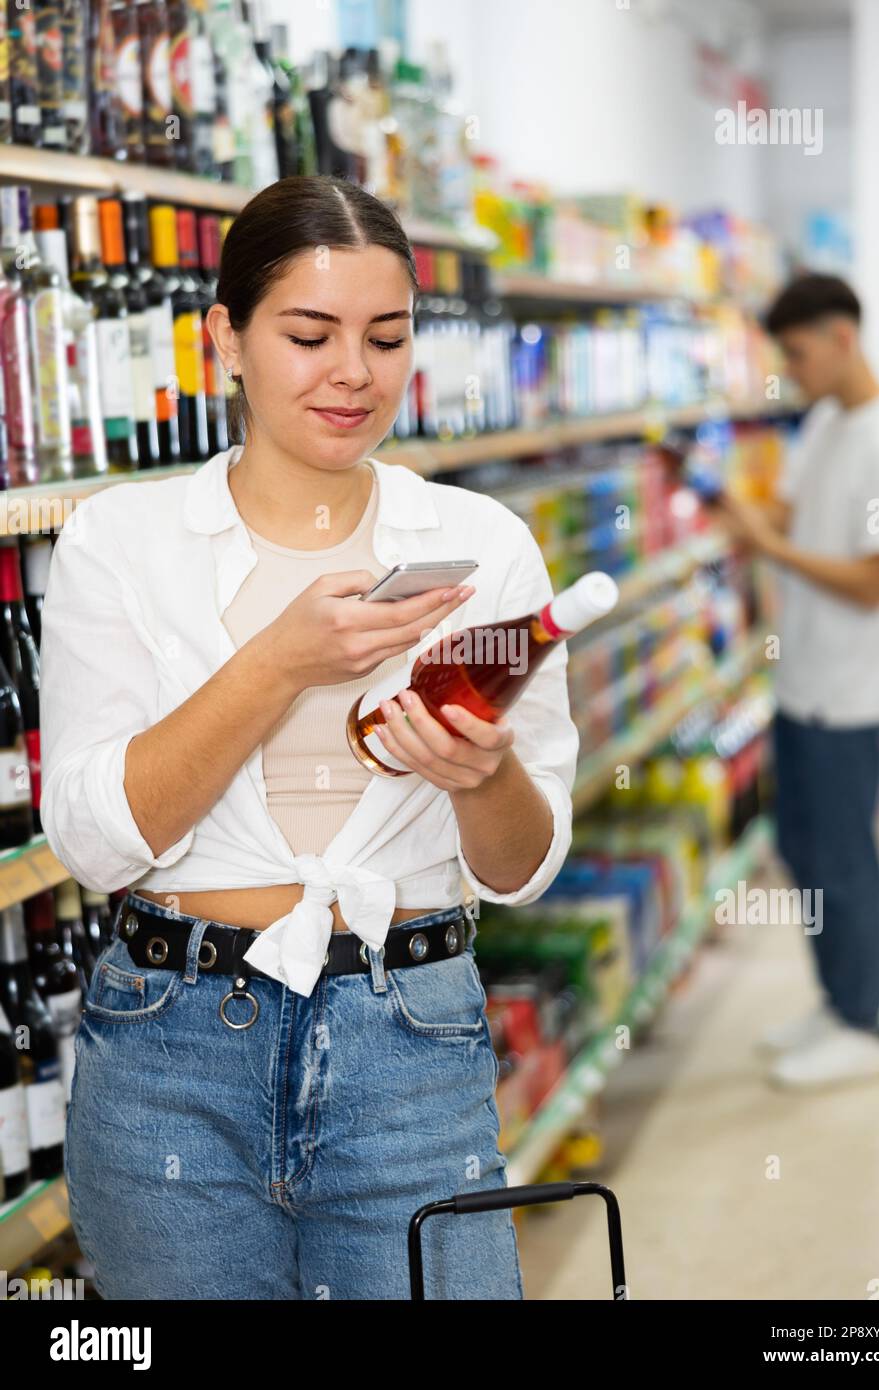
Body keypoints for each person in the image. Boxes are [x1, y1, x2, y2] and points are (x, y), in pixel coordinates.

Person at [41, 174, 579, 1299]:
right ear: (224, 339)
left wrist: (483, 775)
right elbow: (98, 844)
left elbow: (521, 865)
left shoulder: (481, 547)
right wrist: (281, 661)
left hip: (410, 1045)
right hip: (172, 1046)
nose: (353, 372)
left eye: (388, 338)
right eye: (309, 333)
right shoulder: (120, 544)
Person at [710, 273, 879, 1091]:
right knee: (800, 845)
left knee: (841, 858)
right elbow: (800, 522)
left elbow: (876, 580)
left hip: (852, 690)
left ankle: (865, 1025)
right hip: (802, 678)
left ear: (843, 337)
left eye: (799, 354)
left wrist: (769, 549)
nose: (791, 371)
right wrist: (738, 510)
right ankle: (836, 1002)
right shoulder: (829, 423)